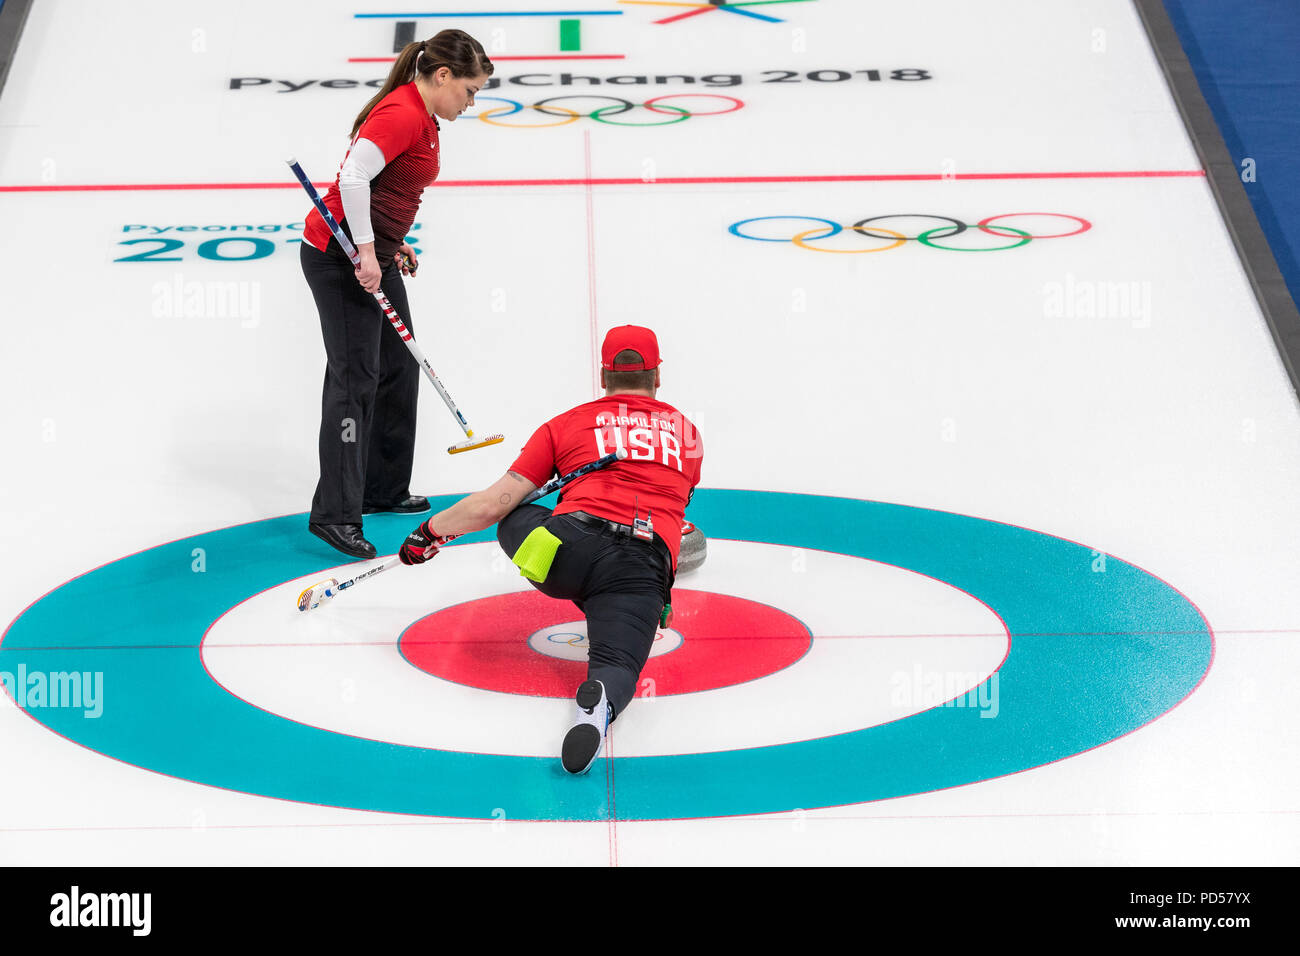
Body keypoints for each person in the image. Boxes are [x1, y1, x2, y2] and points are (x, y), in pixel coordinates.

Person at [398, 326, 703, 774]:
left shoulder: (565, 424)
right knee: (618, 663)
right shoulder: (687, 434)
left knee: (515, 514)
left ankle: (568, 577)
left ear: (603, 375)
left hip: (565, 552)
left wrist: (429, 534)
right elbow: (672, 519)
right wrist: (662, 594)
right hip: (641, 563)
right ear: (658, 376)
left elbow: (493, 503)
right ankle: (595, 708)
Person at [299, 29, 494, 559]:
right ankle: (335, 514)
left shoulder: (424, 116)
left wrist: (391, 243)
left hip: (372, 254)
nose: (471, 102)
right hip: (339, 259)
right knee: (353, 381)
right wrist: (365, 250)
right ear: (443, 76)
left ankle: (381, 488)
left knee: (398, 364)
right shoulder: (402, 112)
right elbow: (356, 178)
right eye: (470, 91)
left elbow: (388, 185)